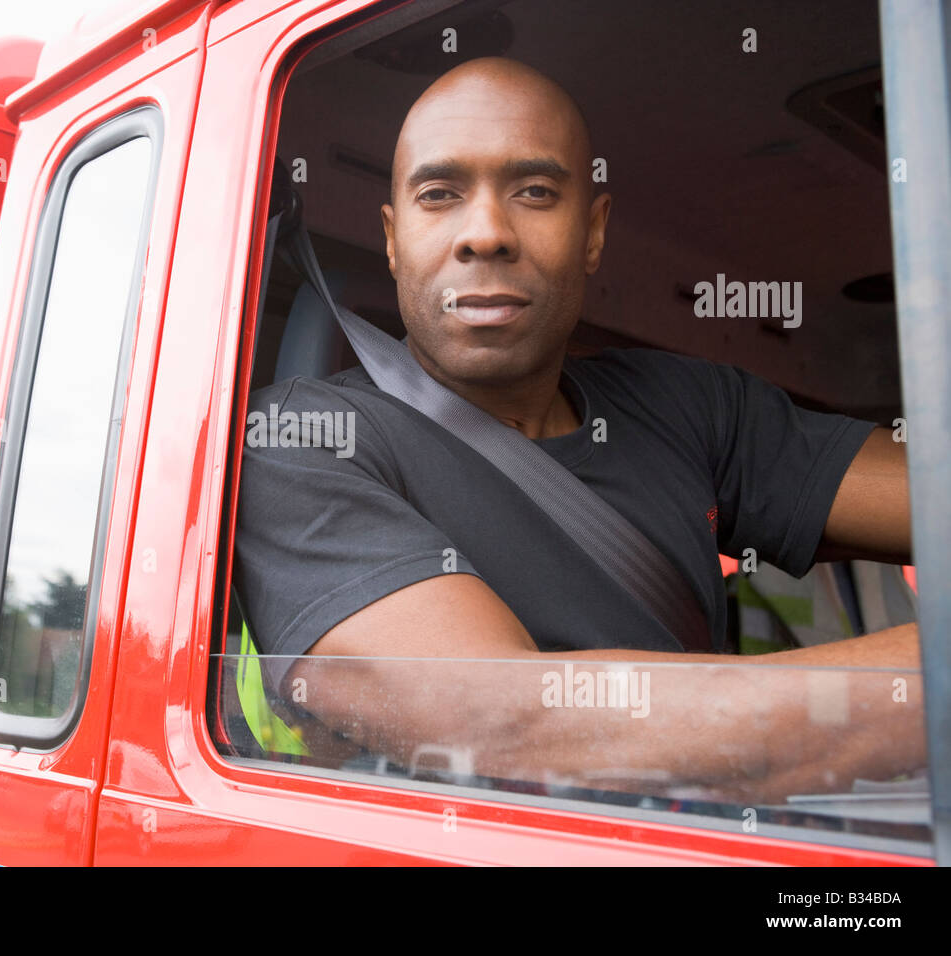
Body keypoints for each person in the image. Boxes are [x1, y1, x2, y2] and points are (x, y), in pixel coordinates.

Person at [232, 57, 922, 802]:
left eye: (534, 191)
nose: (487, 233)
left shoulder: (690, 405)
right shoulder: (298, 442)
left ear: (592, 233)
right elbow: (502, 722)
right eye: (440, 195)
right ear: (395, 240)